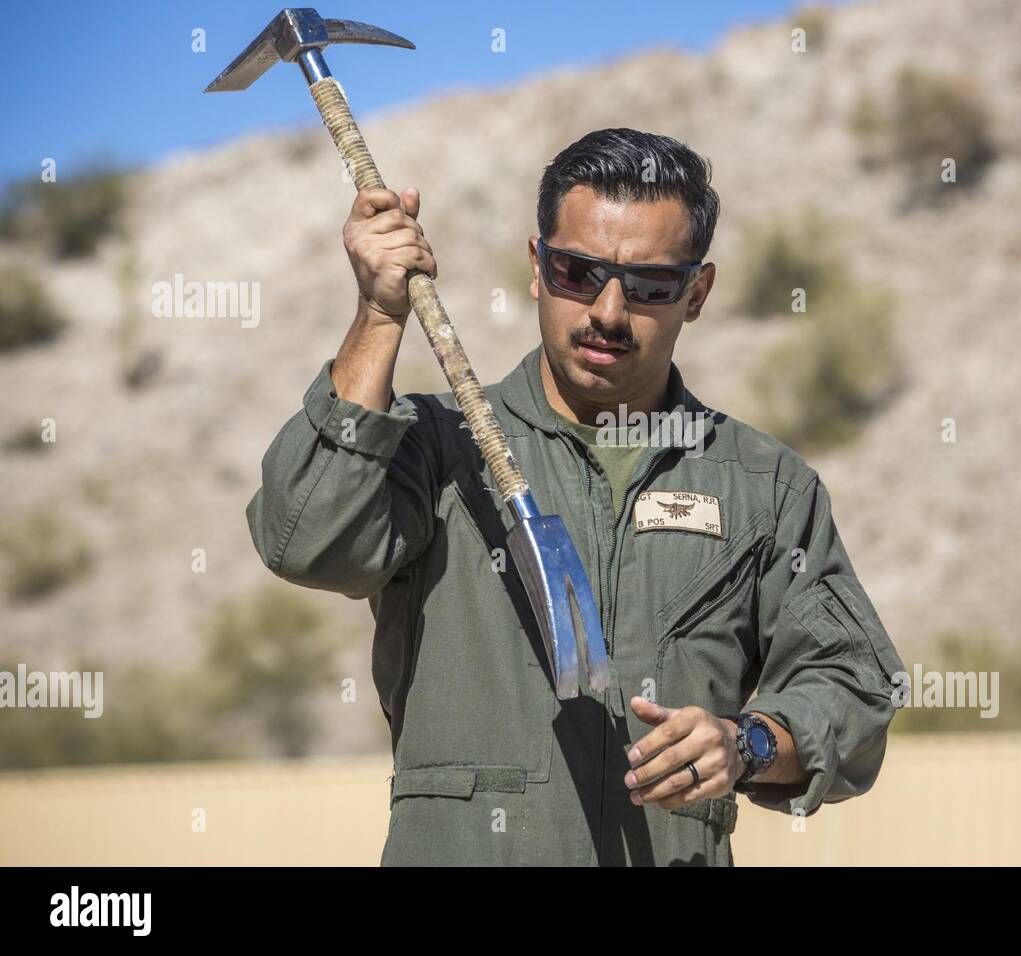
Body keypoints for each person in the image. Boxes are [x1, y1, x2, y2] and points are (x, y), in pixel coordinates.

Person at [247, 127, 905, 866]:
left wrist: (747, 742)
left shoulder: (763, 484)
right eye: (578, 272)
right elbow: (302, 539)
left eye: (651, 284)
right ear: (537, 266)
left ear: (698, 293)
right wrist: (377, 317)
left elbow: (855, 688)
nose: (609, 312)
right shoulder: (432, 447)